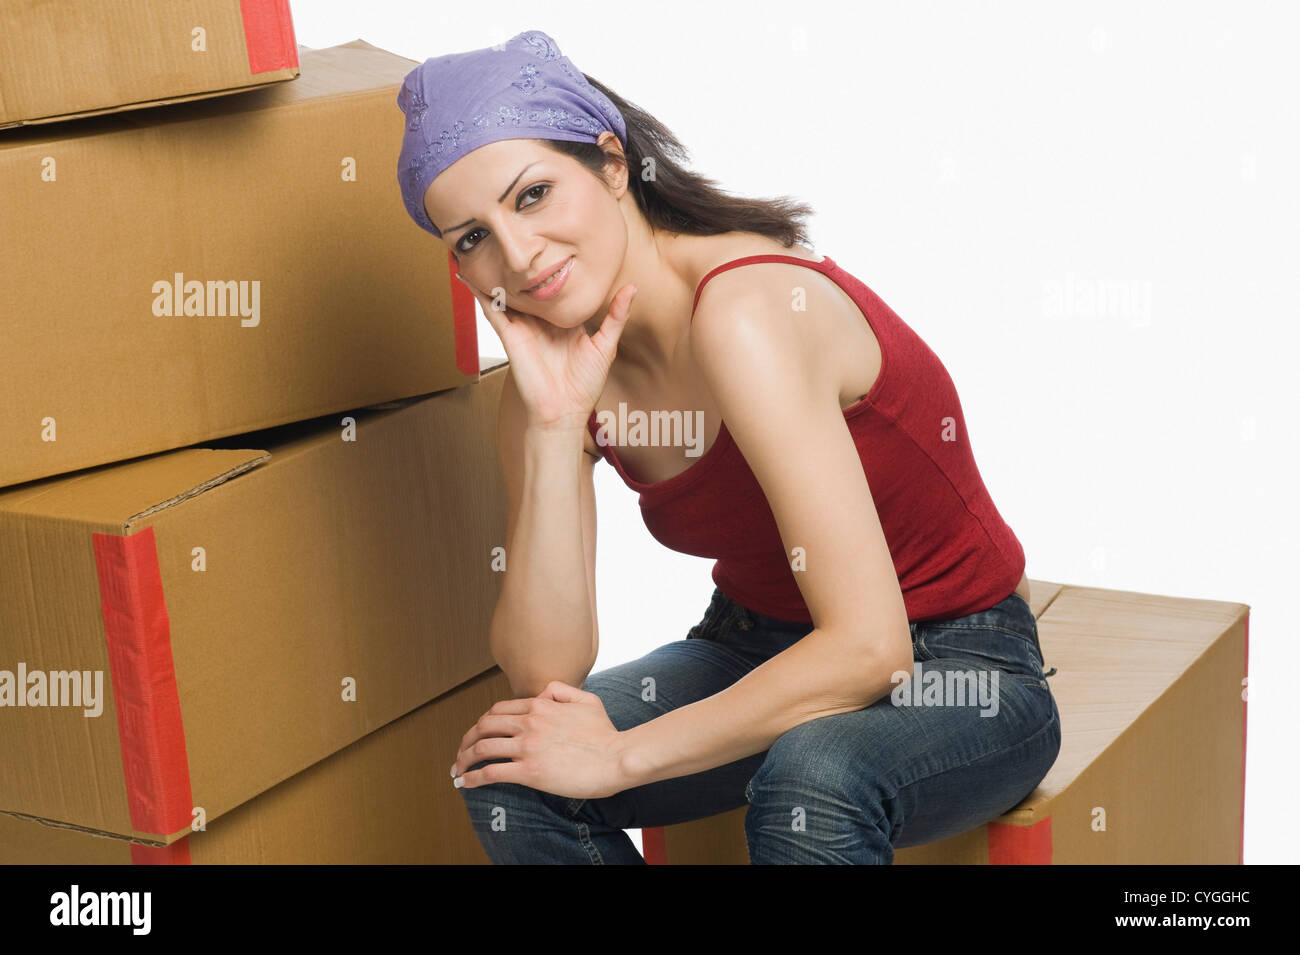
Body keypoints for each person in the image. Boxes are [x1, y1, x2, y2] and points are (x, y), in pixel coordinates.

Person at [397, 29, 1060, 864]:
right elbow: (543, 677)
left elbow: (869, 648)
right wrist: (558, 425)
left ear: (612, 163)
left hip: (959, 659)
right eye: (471, 238)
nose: (517, 256)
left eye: (532, 196)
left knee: (812, 783)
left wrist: (621, 755)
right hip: (754, 643)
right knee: (514, 773)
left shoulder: (747, 312)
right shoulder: (549, 379)